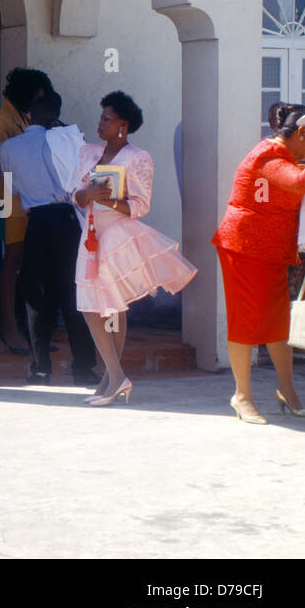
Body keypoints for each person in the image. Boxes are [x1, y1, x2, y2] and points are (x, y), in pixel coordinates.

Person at [68, 91, 197, 406]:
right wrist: (88, 194)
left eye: (106, 118)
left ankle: (113, 377)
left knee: (111, 304)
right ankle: (113, 377)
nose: (100, 123)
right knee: (89, 303)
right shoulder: (89, 152)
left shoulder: (137, 157)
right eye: (101, 117)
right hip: (91, 234)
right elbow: (74, 195)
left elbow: (141, 205)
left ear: (122, 126)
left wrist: (108, 199)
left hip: (117, 234)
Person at [213, 102, 305, 424]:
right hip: (243, 248)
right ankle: (241, 396)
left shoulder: (291, 156)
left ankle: (287, 391)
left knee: (277, 324)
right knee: (245, 322)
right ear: (301, 133)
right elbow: (299, 184)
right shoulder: (267, 155)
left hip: (272, 251)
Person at [0, 91, 98, 386]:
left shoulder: (9, 146)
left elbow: (9, 190)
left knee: (36, 295)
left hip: (36, 221)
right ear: (54, 115)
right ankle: (83, 368)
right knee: (73, 293)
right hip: (67, 220)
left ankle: (40, 367)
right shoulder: (67, 141)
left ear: (29, 114)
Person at [0, 68, 54, 354]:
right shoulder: (3, 119)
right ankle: (8, 331)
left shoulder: (24, 116)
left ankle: (30, 331)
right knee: (11, 264)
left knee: (30, 265)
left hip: (29, 198)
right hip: (10, 198)